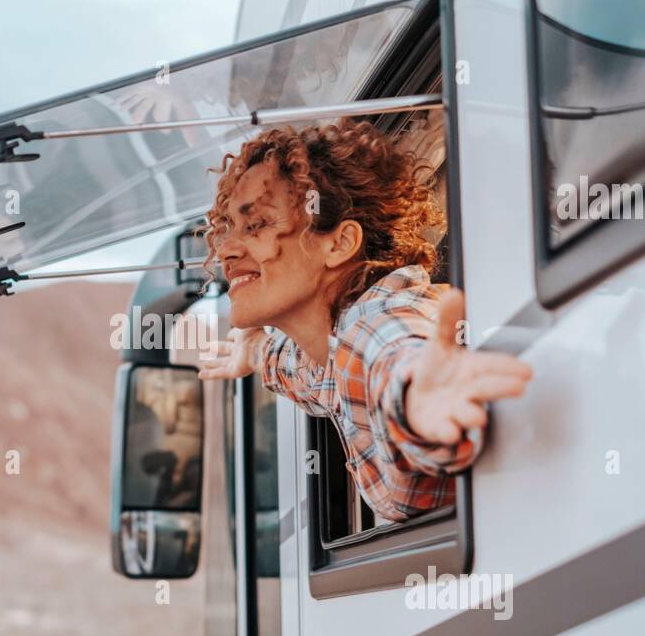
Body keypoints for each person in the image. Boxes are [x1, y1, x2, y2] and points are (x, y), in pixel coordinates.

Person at [197, 118, 532, 525]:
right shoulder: (328, 349)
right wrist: (254, 351)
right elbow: (311, 374)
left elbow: (392, 354)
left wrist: (415, 401)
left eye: (257, 225)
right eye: (228, 227)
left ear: (338, 244)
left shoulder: (374, 323)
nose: (227, 249)